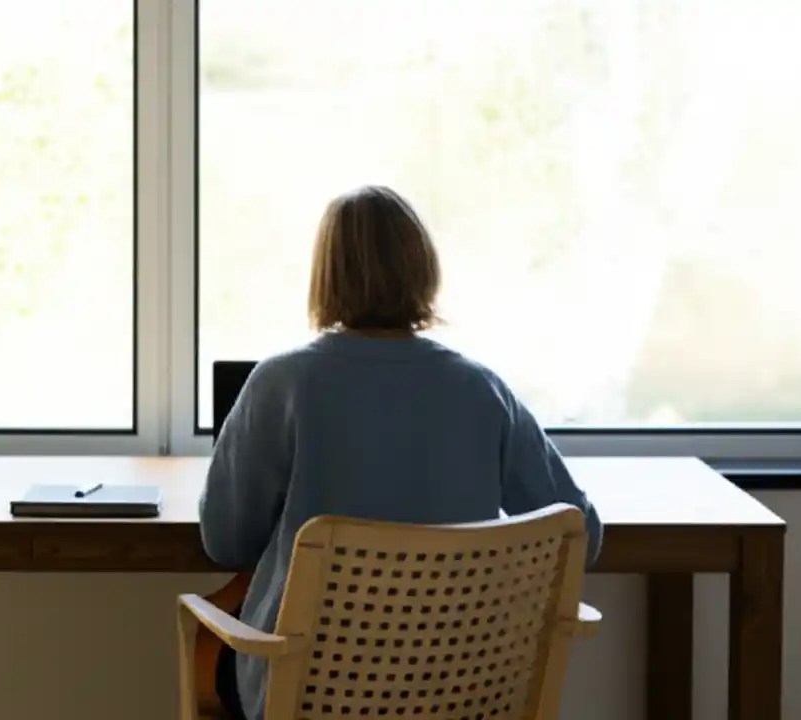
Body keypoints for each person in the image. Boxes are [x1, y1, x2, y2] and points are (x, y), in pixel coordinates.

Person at [199, 185, 603, 720]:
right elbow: (582, 537)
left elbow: (225, 542)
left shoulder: (282, 383)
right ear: (424, 270)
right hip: (463, 690)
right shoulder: (481, 389)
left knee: (209, 654)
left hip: (309, 692)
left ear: (326, 274)